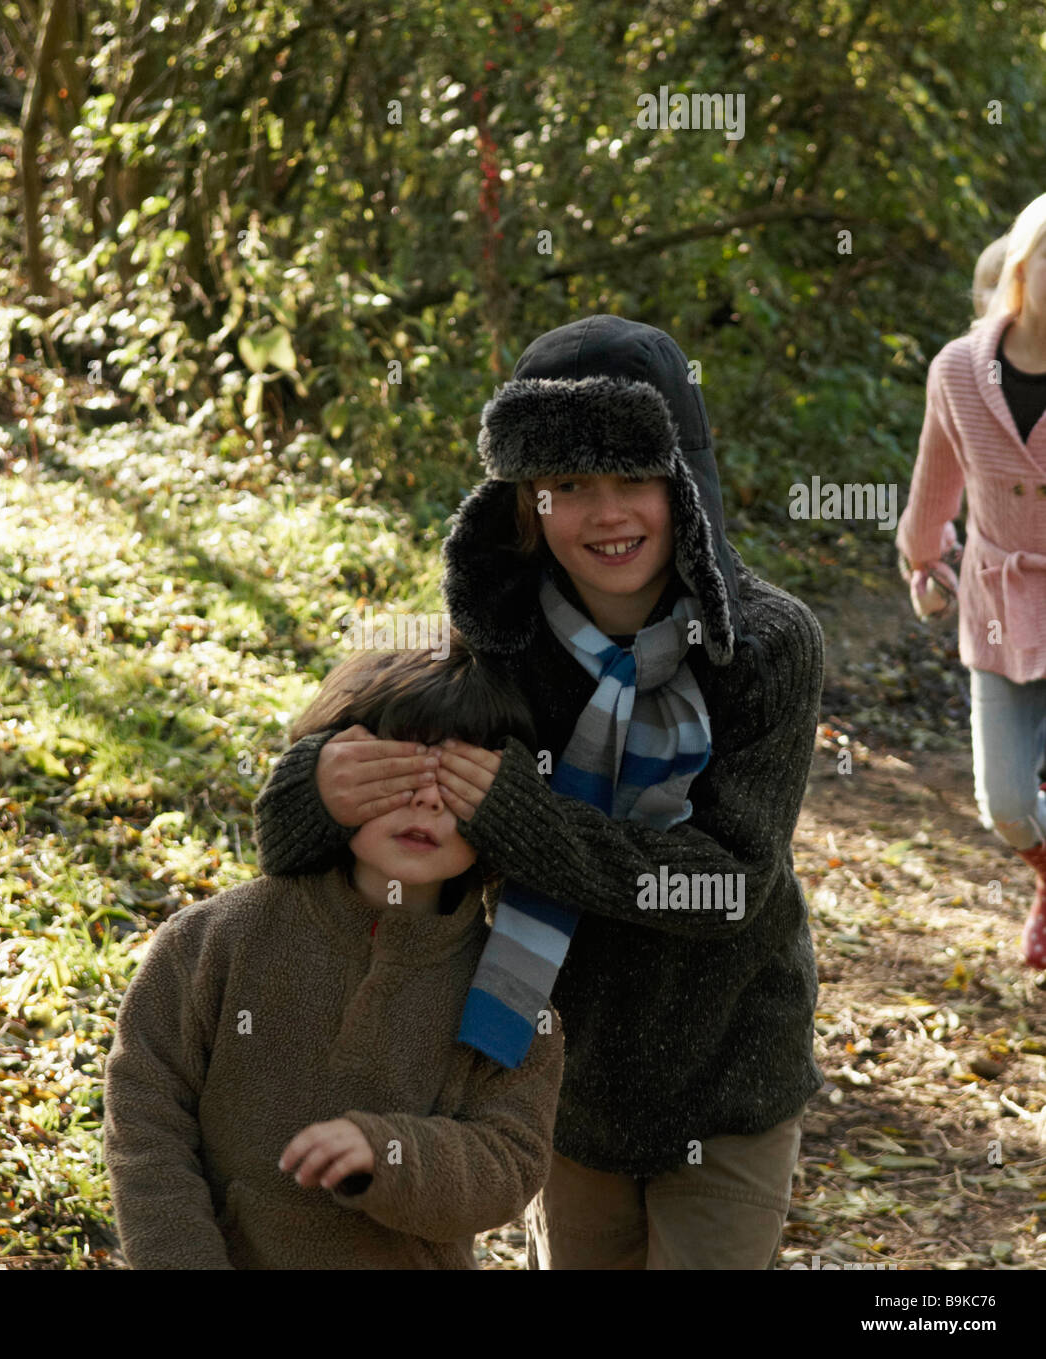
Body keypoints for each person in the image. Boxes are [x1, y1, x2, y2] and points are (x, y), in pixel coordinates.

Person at [254, 314, 826, 1269]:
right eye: (568, 486)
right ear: (525, 500)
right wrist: (316, 782)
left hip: (730, 1066)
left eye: (633, 479)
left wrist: (525, 819)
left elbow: (728, 885)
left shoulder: (765, 647)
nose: (607, 515)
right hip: (550, 1061)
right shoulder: (493, 641)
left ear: (684, 484)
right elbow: (291, 835)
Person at [104, 634, 564, 1269]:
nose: (427, 800)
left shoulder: (511, 987)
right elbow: (147, 1121)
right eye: (399, 769)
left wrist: (390, 1152)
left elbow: (508, 1163)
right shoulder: (211, 940)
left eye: (458, 780)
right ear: (330, 770)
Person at [896, 193, 1046, 967]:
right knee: (1009, 805)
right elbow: (934, 489)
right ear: (1022, 264)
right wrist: (926, 562)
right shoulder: (959, 370)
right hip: (1000, 605)